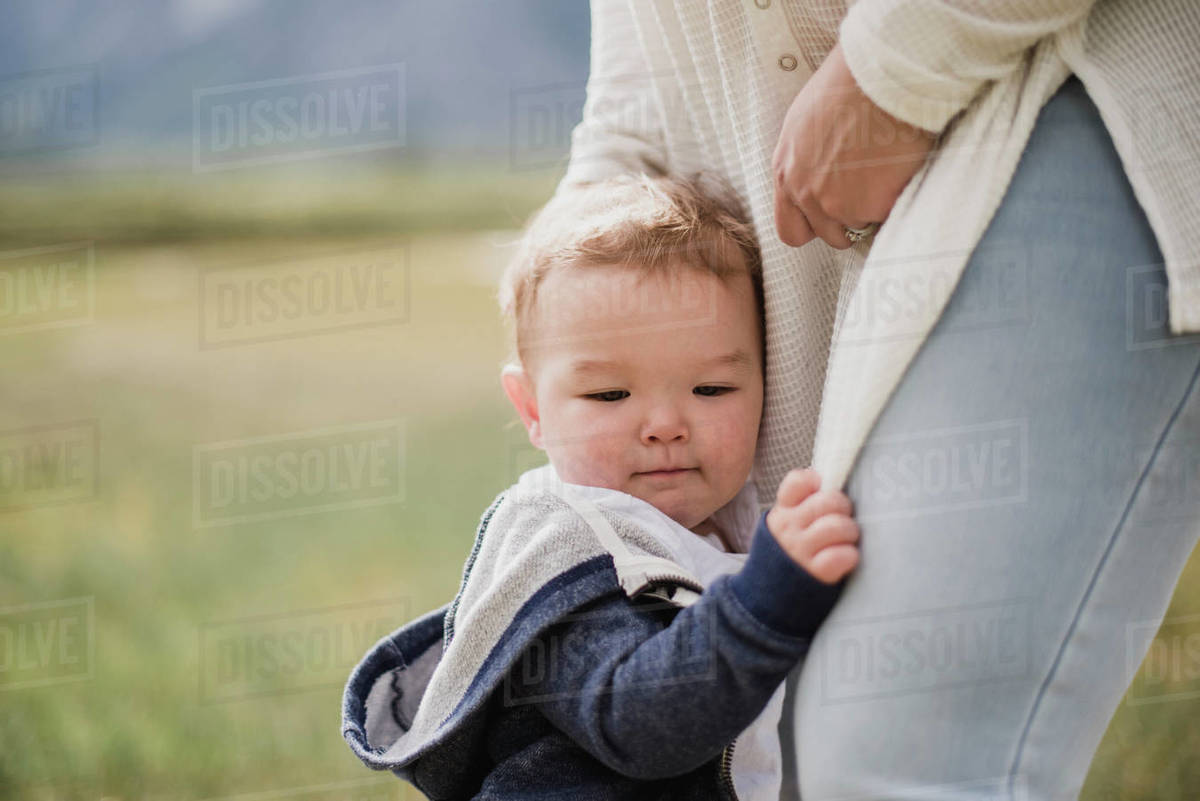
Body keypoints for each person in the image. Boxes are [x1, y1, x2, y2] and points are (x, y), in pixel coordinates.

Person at [560, 1, 1200, 798]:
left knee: (893, 760)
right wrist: (562, 346)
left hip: (1067, 86)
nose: (658, 427)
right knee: (785, 764)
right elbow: (631, 94)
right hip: (788, 279)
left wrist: (889, 75)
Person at [341, 173, 861, 799]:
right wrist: (765, 602)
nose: (665, 425)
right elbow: (639, 725)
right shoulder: (563, 556)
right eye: (610, 394)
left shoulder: (724, 523)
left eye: (711, 389)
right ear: (532, 409)